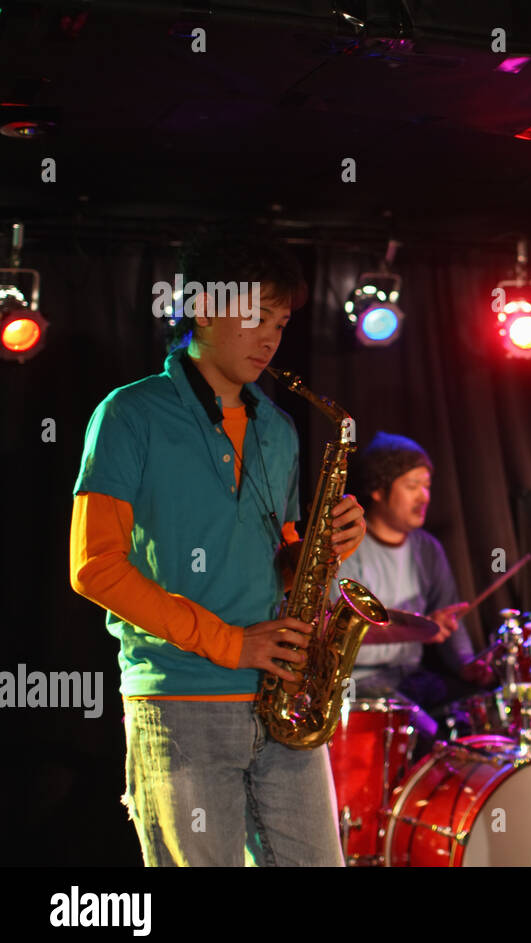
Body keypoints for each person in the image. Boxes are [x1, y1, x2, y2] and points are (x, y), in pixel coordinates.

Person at [69, 231, 366, 866]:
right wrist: (230, 643)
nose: (271, 339)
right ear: (203, 308)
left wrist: (324, 548)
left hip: (282, 696)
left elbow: (283, 561)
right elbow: (93, 568)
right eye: (258, 317)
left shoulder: (280, 429)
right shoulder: (129, 413)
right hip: (179, 701)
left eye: (281, 323)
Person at [336, 431, 493, 711]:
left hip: (410, 677)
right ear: (378, 489)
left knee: (478, 710)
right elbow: (338, 631)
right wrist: (419, 630)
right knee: (425, 728)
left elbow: (448, 617)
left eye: (427, 486)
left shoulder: (427, 548)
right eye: (412, 486)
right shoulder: (346, 545)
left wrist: (466, 664)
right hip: (357, 681)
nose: (424, 497)